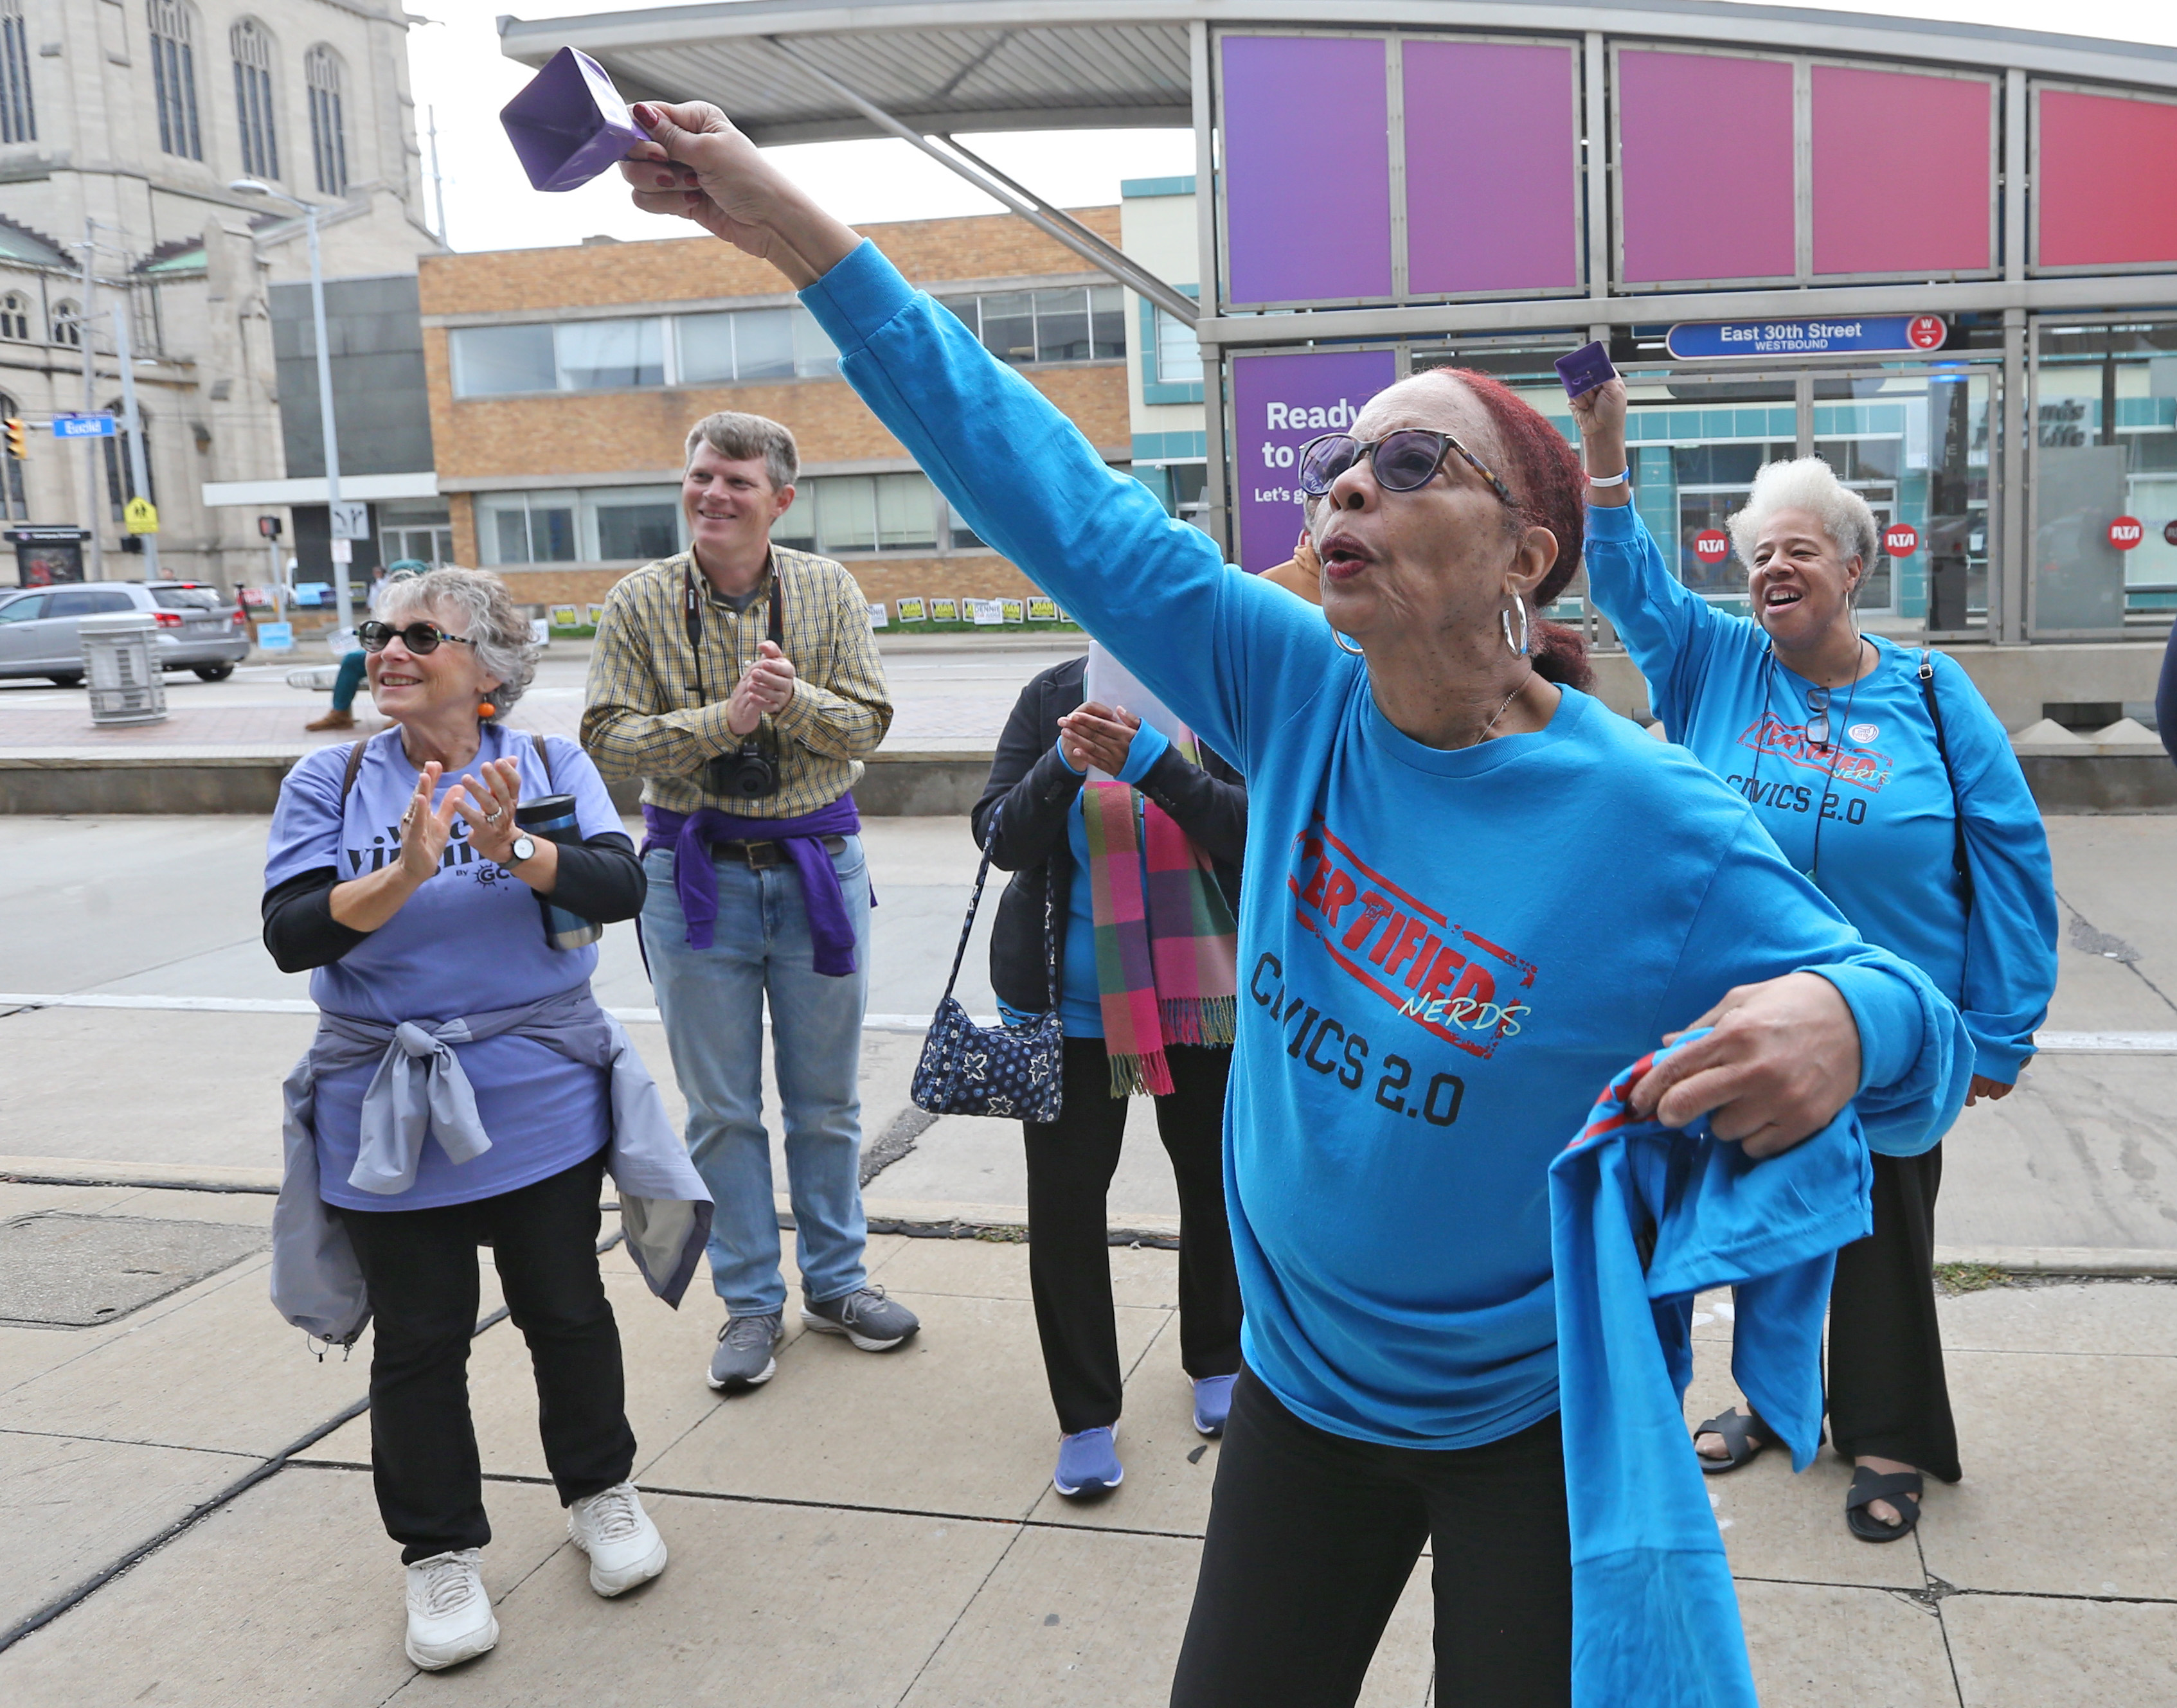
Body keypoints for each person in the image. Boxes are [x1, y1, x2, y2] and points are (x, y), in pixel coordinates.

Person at [611, 103, 1974, 1705]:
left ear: (1522, 555)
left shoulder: (1651, 820)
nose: (1344, 491)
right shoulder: (1295, 694)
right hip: (1300, 1394)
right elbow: (1048, 487)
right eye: (1335, 465)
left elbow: (1926, 1033)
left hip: (1525, 1424)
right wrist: (795, 236)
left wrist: (1844, 1006)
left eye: (1407, 465)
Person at [1569, 380, 2058, 1542]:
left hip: (1886, 1031)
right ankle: (1768, 1397)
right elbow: (1628, 579)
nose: (1771, 570)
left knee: (1881, 1236)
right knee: (1751, 1214)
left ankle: (1884, 1434)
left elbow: (2010, 860)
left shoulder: (1932, 695)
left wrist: (1997, 1030)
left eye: (1798, 551)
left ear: (1854, 567)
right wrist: (1602, 455)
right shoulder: (1712, 664)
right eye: (1756, 554)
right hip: (1736, 1014)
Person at [262, 568, 690, 1670]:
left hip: (536, 1091)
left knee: (564, 1306)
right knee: (419, 1336)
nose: (391, 651)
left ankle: (600, 1489)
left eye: (420, 635)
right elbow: (296, 930)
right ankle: (437, 1552)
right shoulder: (331, 777)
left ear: (489, 665)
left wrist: (511, 849)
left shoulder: (547, 764)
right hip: (383, 1105)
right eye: (380, 633)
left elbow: (614, 886)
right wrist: (405, 869)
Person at [582, 409, 918, 1394]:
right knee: (721, 1110)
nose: (713, 495)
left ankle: (839, 1282)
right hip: (692, 876)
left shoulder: (826, 588)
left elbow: (868, 724)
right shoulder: (639, 601)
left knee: (826, 1103)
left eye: (736, 480)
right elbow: (605, 736)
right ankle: (748, 1304)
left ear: (780, 498)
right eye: (701, 476)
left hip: (817, 864)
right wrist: (719, 721)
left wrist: (792, 700)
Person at [974, 655, 1248, 1497]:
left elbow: (1262, 830)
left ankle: (1217, 1357)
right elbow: (997, 835)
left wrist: (1155, 768)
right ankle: (1085, 1414)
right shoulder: (1053, 698)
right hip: (1071, 1012)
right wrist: (1062, 765)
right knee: (1063, 1209)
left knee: (1215, 1185)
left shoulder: (1223, 688)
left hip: (1210, 1002)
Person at [307, 561, 425, 733]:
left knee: (402, 661)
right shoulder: (390, 599)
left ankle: (406, 715)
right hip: (390, 648)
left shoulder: (428, 601)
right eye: (396, 577)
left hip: (420, 652)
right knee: (353, 660)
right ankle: (340, 712)